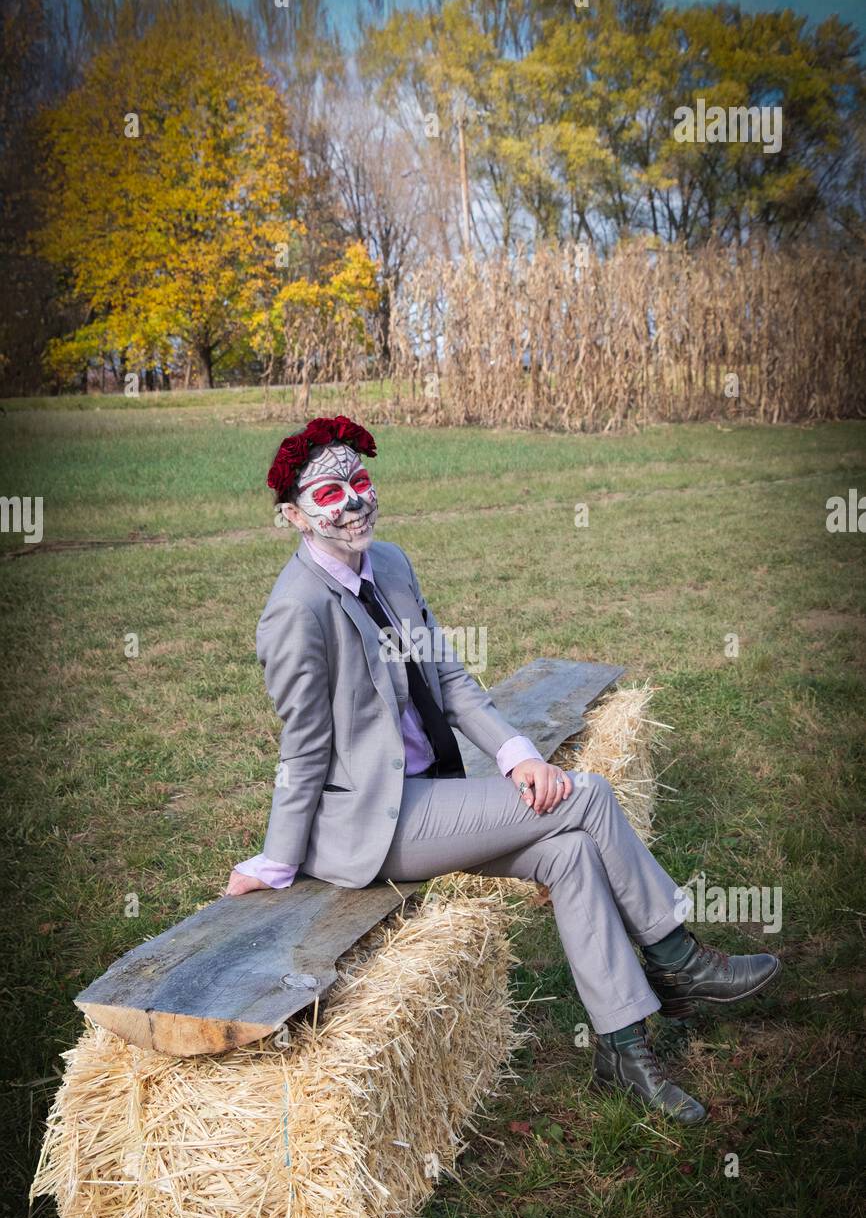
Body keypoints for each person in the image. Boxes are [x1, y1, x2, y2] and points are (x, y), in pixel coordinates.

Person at [225, 416, 780, 1125]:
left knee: (573, 852)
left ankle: (622, 1047)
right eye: (330, 493)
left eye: (361, 482)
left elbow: (448, 679)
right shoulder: (295, 612)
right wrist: (276, 861)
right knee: (588, 795)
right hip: (372, 822)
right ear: (294, 516)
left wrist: (516, 752)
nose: (353, 502)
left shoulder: (389, 563)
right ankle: (680, 957)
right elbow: (301, 751)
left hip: (433, 795)